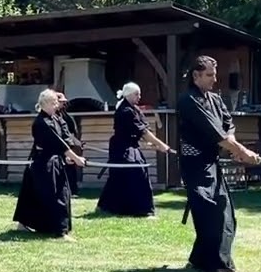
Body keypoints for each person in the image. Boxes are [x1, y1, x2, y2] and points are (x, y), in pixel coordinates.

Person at [177, 56, 260, 272]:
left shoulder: (214, 98)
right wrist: (243, 152)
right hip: (195, 165)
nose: (214, 79)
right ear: (196, 76)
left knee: (225, 212)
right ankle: (217, 265)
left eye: (214, 74)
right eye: (209, 75)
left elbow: (227, 124)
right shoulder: (188, 101)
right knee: (211, 212)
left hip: (212, 162)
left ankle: (202, 260)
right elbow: (215, 132)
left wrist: (232, 147)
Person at [12, 89, 86, 240]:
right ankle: (60, 231)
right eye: (54, 103)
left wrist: (68, 156)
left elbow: (65, 139)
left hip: (53, 161)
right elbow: (58, 144)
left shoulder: (55, 118)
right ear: (45, 104)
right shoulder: (42, 122)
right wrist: (76, 158)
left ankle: (32, 225)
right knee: (56, 195)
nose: (56, 106)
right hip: (44, 164)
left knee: (37, 194)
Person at [96, 83, 171, 217]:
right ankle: (141, 210)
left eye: (139, 94)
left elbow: (142, 130)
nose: (139, 97)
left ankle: (107, 206)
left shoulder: (134, 109)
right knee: (136, 172)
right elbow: (143, 132)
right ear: (129, 95)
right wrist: (161, 144)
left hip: (129, 145)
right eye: (137, 94)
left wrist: (150, 142)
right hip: (121, 147)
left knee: (121, 175)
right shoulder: (126, 111)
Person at [56, 92, 84, 197]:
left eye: (64, 102)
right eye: (61, 102)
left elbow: (69, 134)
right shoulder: (53, 117)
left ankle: (72, 191)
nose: (63, 104)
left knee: (70, 169)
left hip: (66, 146)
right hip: (58, 147)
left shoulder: (65, 117)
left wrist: (78, 143)